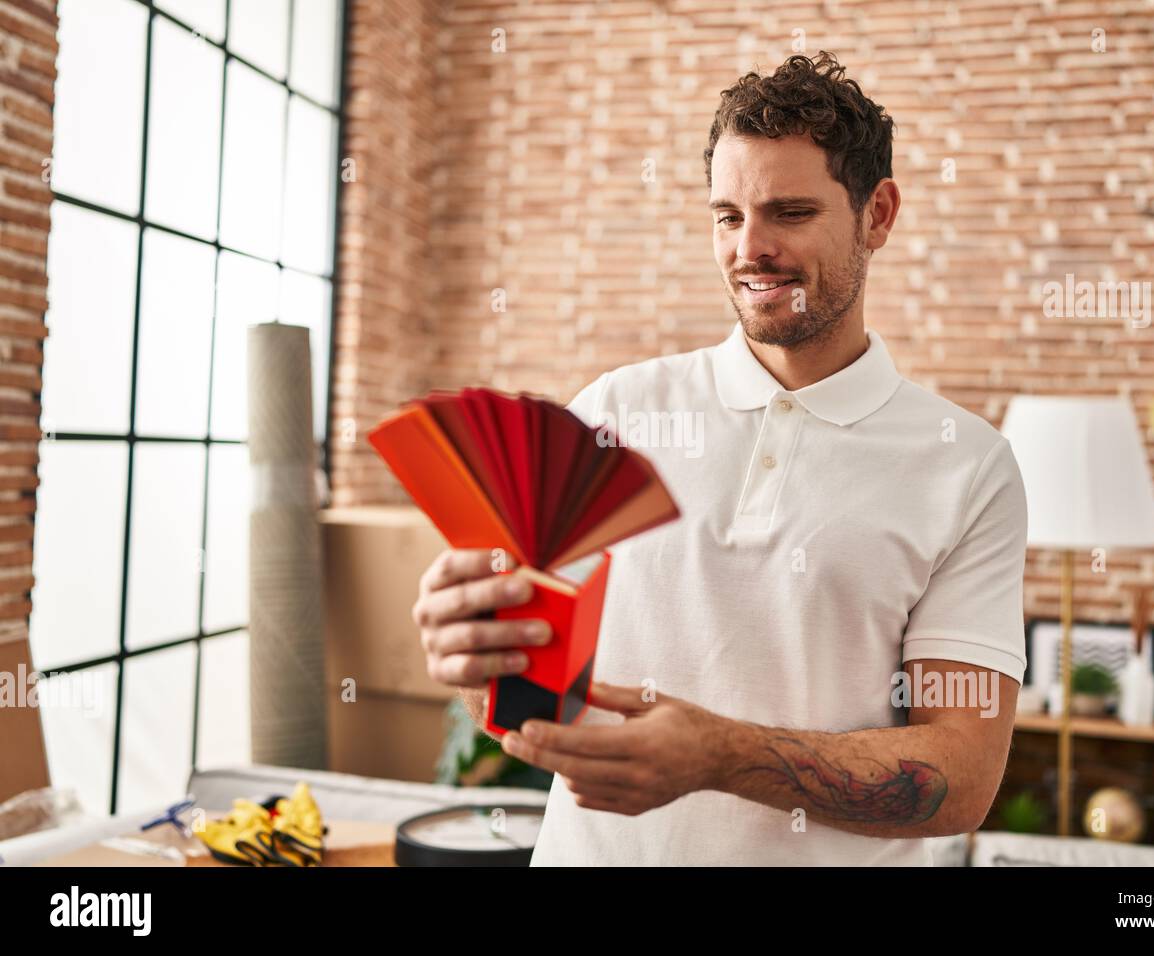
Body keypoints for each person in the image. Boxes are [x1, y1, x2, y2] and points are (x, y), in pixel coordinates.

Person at [411, 51, 1027, 865]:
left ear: (878, 214)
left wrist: (720, 756)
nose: (750, 249)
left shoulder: (969, 468)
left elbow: (962, 774)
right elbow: (517, 679)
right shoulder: (612, 412)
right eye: (727, 215)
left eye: (790, 212)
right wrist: (469, 649)